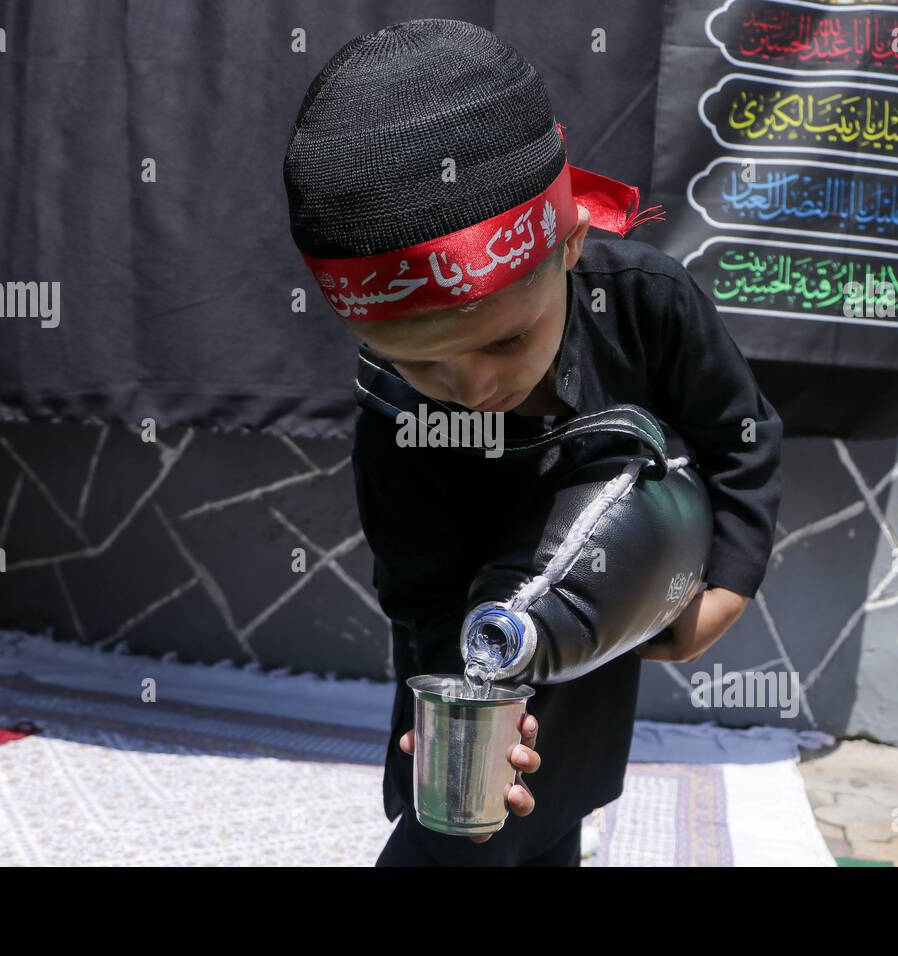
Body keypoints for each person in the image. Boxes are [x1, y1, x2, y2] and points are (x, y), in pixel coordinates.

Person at [283, 18, 783, 866]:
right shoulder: (393, 413)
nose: (473, 388)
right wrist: (463, 708)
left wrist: (726, 586)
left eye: (506, 341)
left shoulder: (646, 303)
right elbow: (422, 594)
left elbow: (741, 435)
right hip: (474, 658)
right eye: (421, 363)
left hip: (604, 623)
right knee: (459, 831)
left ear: (572, 238)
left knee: (556, 811)